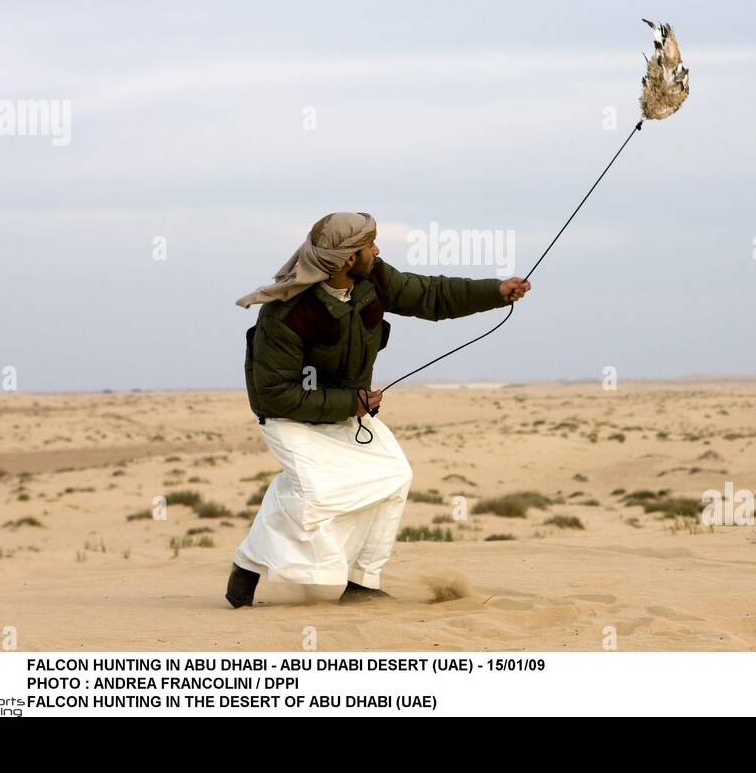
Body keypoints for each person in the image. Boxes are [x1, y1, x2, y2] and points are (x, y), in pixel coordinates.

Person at [226, 211, 530, 607]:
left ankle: (362, 583)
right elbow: (273, 395)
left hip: (345, 411)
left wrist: (495, 292)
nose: (377, 249)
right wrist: (351, 401)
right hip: (289, 418)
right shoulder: (286, 312)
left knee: (394, 475)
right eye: (370, 244)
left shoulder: (376, 278)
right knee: (319, 491)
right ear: (348, 258)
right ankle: (247, 567)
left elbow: (431, 295)